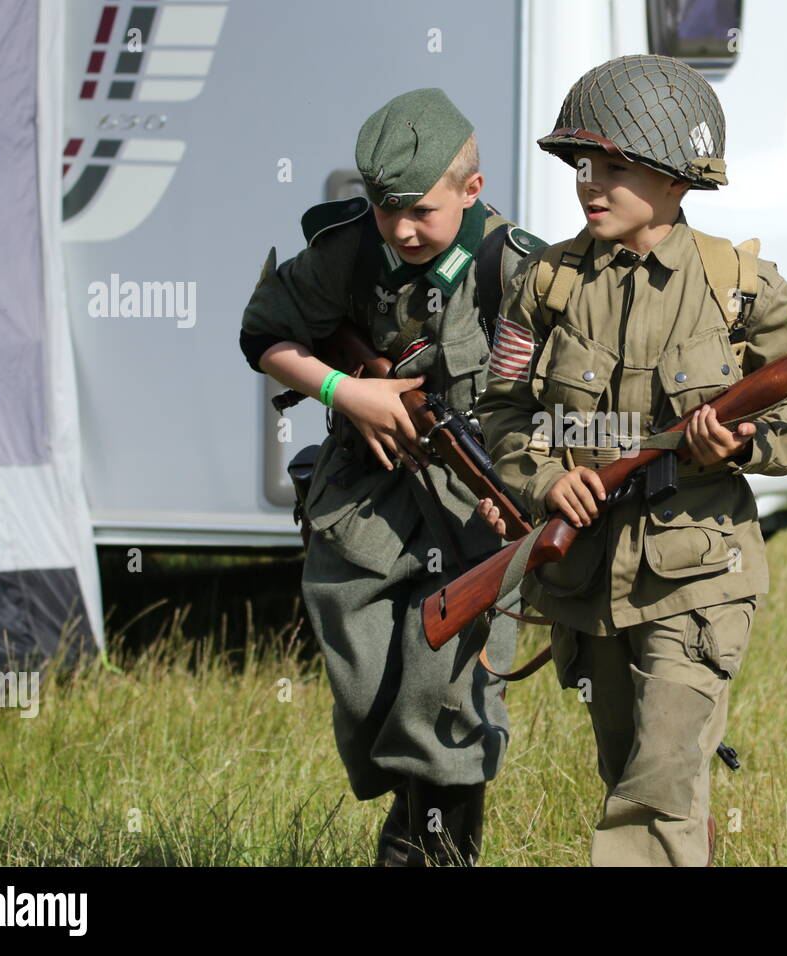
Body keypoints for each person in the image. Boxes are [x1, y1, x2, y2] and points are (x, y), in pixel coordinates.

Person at [473, 55, 787, 866]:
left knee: (652, 790)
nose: (590, 185)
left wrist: (746, 443)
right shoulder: (545, 284)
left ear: (679, 180)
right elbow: (501, 411)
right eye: (584, 165)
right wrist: (546, 478)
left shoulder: (741, 287)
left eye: (615, 167)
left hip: (698, 578)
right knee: (635, 775)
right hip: (588, 585)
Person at [238, 88, 545, 866]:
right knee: (368, 688)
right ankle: (411, 817)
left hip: (477, 512)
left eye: (421, 211)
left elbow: (566, 386)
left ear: (471, 190)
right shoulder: (349, 251)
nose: (402, 228)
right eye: (384, 208)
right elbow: (264, 332)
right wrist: (350, 391)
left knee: (443, 694)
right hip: (365, 509)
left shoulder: (518, 268)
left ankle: (429, 848)